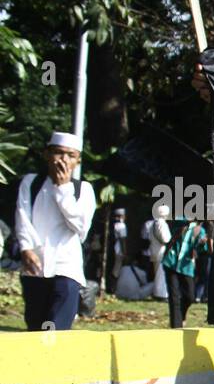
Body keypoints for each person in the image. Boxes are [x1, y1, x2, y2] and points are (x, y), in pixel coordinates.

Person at [13, 131, 98, 331]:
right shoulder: (31, 183)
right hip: (35, 268)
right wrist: (26, 248)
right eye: (59, 153)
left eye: (70, 155)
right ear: (47, 154)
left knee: (54, 329)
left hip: (66, 268)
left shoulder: (83, 190)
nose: (64, 160)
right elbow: (22, 216)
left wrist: (62, 189)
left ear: (77, 161)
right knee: (35, 327)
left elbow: (80, 227)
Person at [161, 216, 212, 328]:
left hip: (186, 266)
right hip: (171, 262)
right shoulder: (180, 221)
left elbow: (199, 250)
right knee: (174, 297)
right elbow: (175, 221)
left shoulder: (200, 230)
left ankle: (182, 315)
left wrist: (202, 244)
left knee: (190, 296)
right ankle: (176, 327)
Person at [145, 203, 171, 300]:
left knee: (157, 272)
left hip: (154, 249)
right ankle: (160, 294)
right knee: (161, 273)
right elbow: (165, 238)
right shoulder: (161, 223)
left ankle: (157, 292)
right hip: (160, 250)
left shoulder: (154, 223)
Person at [109, 207, 129, 290]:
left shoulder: (114, 225)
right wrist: (124, 252)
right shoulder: (121, 226)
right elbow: (122, 240)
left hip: (114, 248)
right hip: (119, 250)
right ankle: (113, 288)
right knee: (117, 269)